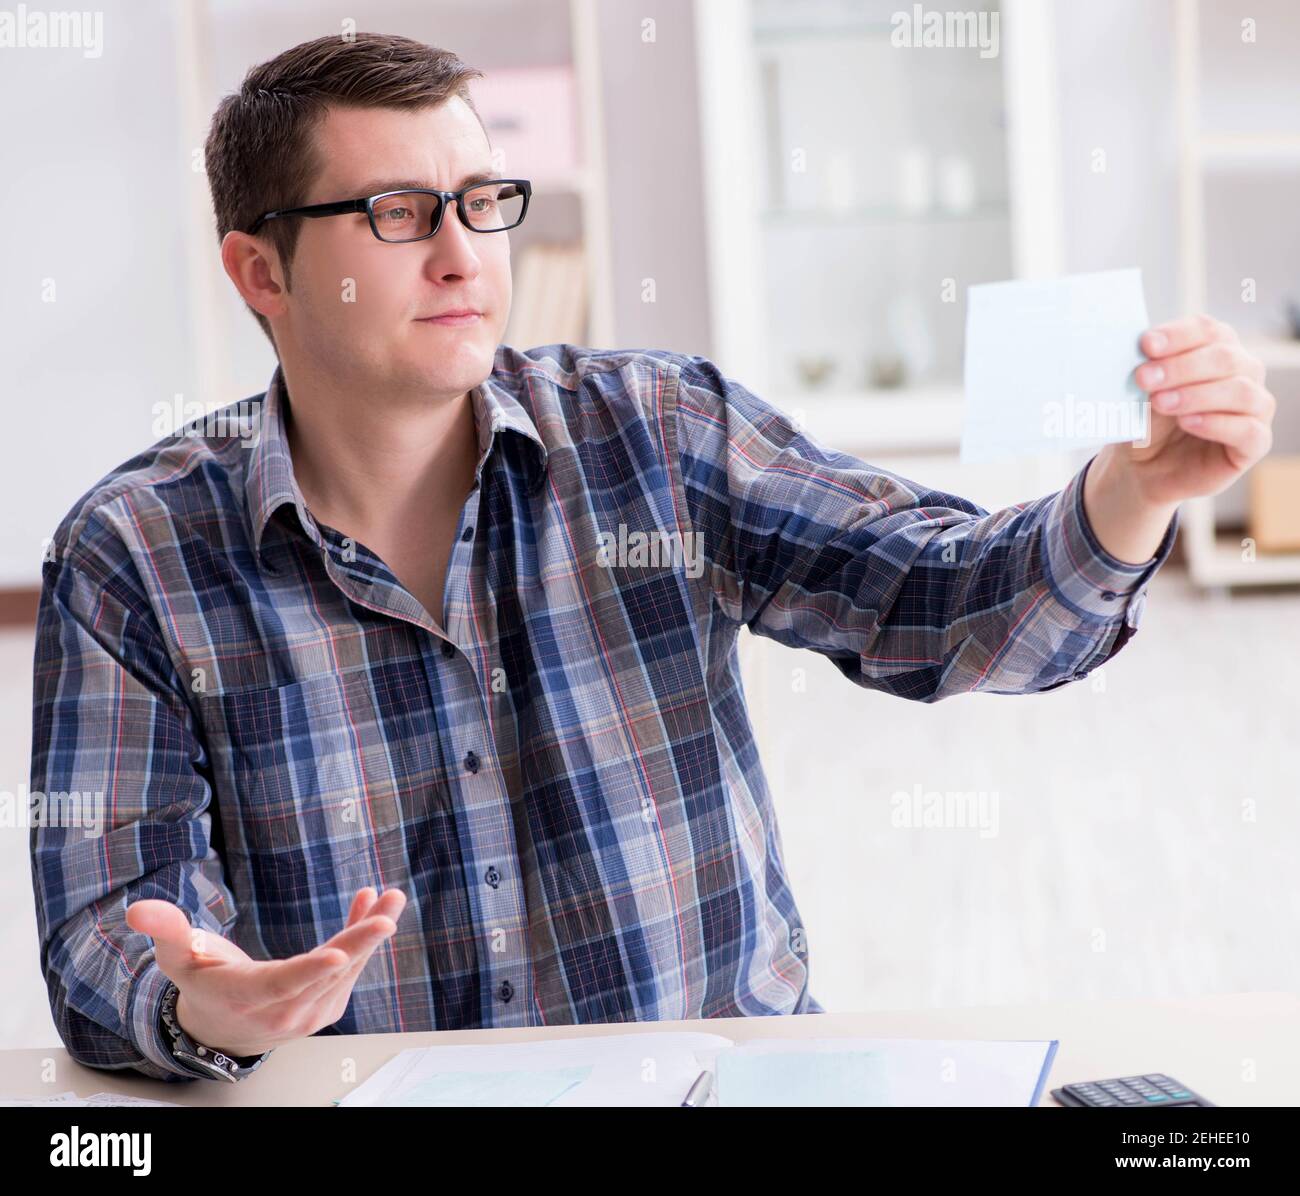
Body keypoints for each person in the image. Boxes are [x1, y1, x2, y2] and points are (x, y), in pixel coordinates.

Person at [30, 33, 1276, 1081]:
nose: (464, 253)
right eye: (397, 214)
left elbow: (944, 605)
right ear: (262, 270)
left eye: (481, 200)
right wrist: (209, 1005)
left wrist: (1138, 487)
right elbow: (107, 934)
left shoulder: (660, 437)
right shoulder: (133, 555)